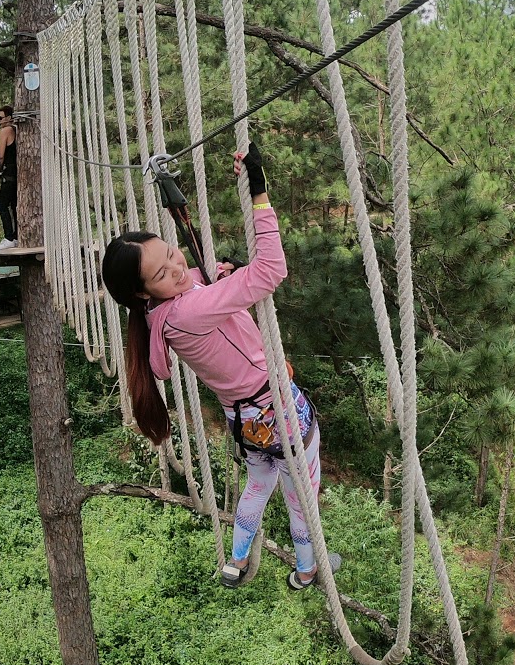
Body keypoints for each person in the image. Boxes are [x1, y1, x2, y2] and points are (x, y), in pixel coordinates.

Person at [102, 147, 338, 590]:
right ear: (142, 292)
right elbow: (271, 271)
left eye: (171, 253)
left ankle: (237, 558)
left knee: (259, 484)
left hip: (244, 420)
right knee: (302, 494)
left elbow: (194, 278)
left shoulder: (159, 314)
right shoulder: (189, 311)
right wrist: (259, 195)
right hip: (278, 409)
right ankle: (306, 569)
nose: (177, 268)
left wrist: (222, 273)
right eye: (161, 272)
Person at [0, 105, 17, 250]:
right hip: (16, 173)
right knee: (13, 205)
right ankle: (16, 236)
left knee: (1, 206)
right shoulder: (16, 129)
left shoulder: (6, 130)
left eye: (0, 118)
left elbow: (1, 155)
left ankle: (9, 238)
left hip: (8, 173)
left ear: (8, 118)